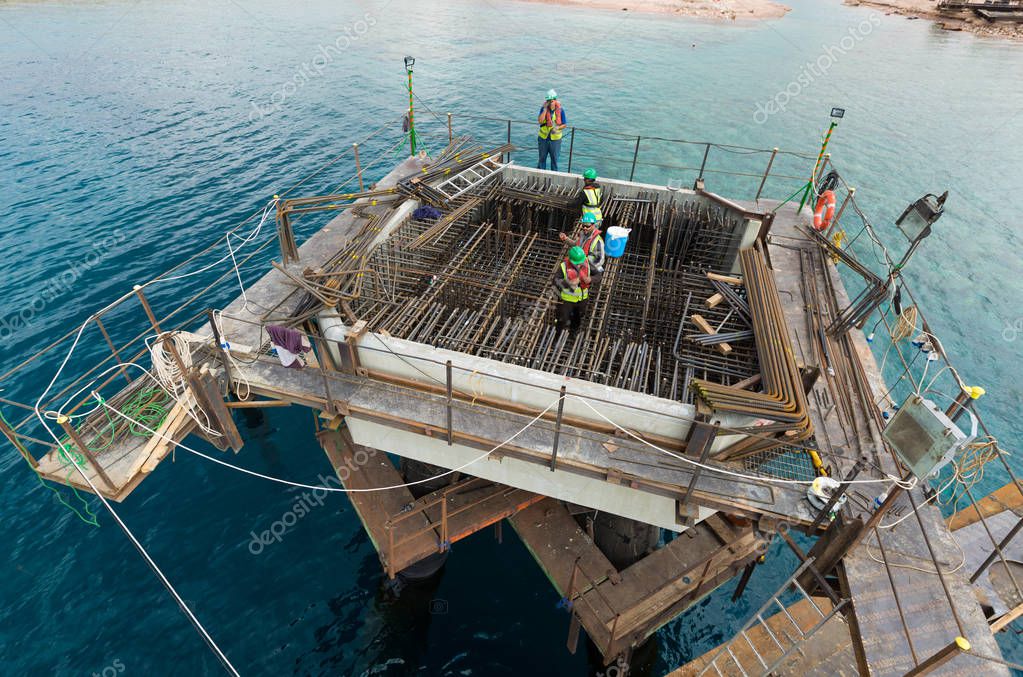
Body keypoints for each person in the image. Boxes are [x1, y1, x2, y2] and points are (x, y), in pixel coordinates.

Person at [559, 212, 605, 281]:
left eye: (587, 226)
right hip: (578, 261)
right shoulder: (582, 234)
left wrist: (585, 263)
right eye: (583, 226)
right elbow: (575, 244)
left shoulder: (598, 241)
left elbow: (600, 260)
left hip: (588, 265)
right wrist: (566, 239)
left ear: (593, 225)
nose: (585, 228)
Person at [554, 245, 590, 333]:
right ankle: (557, 334)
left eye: (580, 262)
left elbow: (598, 275)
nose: (579, 264)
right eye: (576, 263)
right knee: (562, 319)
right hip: (567, 300)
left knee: (577, 319)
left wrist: (590, 279)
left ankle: (573, 333)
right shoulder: (563, 266)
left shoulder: (587, 263)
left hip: (581, 299)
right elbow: (555, 281)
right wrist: (569, 283)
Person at [537, 90, 567, 171]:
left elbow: (564, 124)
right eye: (548, 101)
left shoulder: (561, 110)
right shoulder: (543, 109)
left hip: (555, 140)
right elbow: (540, 121)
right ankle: (540, 175)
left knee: (554, 160)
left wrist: (557, 128)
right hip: (543, 138)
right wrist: (545, 110)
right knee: (542, 159)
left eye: (552, 101)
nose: (550, 103)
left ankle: (554, 177)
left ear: (555, 100)